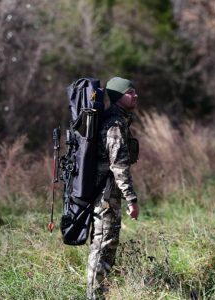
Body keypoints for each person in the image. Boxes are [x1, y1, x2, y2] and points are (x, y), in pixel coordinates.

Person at [87, 77, 140, 300]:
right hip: (106, 195)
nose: (135, 95)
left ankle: (100, 293)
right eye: (130, 92)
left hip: (107, 194)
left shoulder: (118, 119)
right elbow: (118, 165)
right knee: (103, 245)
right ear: (119, 97)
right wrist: (131, 198)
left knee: (107, 244)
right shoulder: (115, 124)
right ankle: (94, 296)